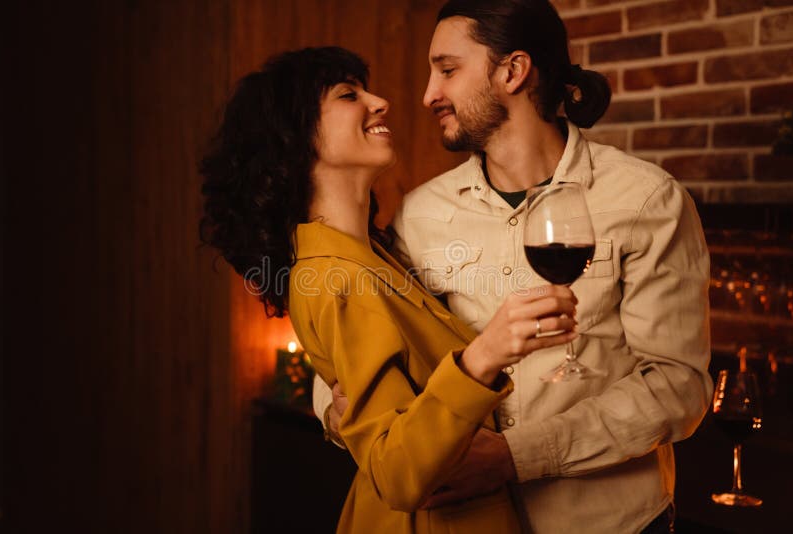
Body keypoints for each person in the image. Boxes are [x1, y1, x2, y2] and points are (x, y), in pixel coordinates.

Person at [314, 2, 714, 533]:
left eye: (448, 70)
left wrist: (516, 455)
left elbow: (678, 386)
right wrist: (340, 413)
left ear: (513, 71)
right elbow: (355, 350)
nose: (429, 94)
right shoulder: (422, 214)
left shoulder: (646, 201)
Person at [199, 46, 580, 533]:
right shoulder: (338, 278)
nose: (380, 102)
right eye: (348, 94)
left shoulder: (372, 257)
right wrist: (485, 355)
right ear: (296, 140)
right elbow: (397, 473)